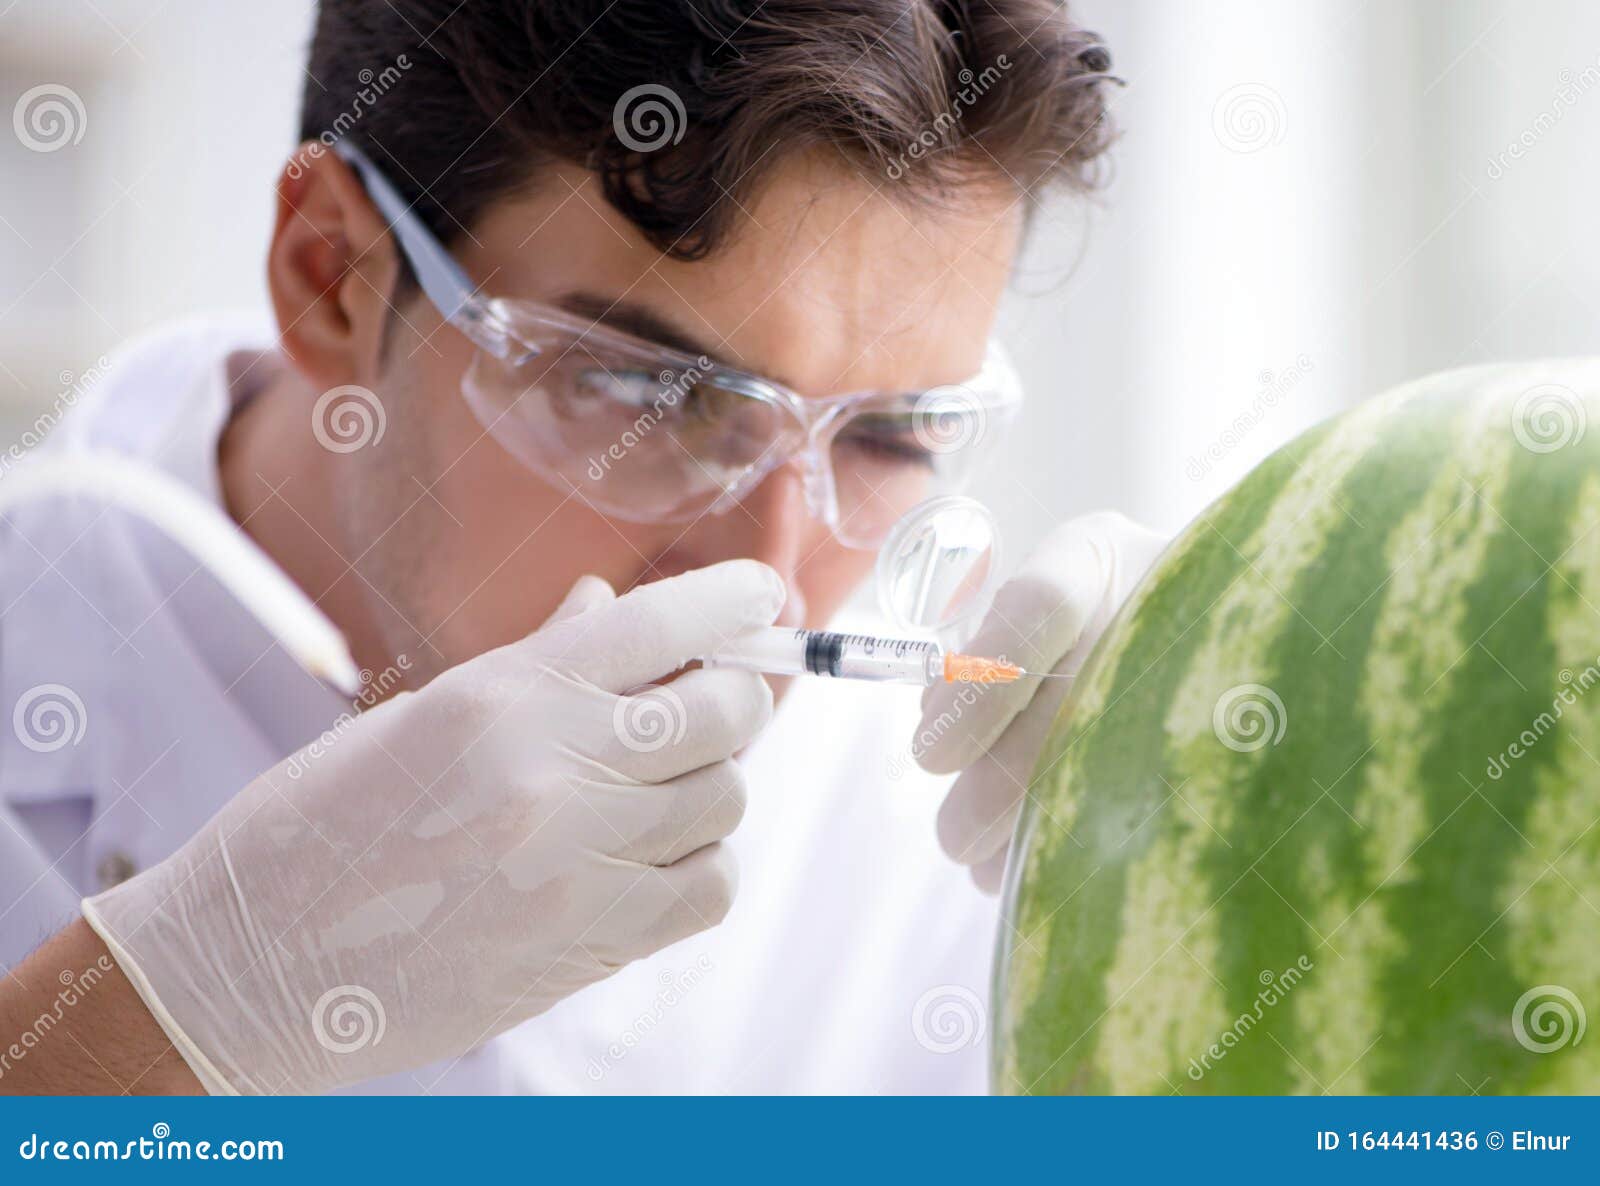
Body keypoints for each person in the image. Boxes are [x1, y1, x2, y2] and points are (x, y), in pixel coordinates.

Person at [0, 0, 1163, 1095]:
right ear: (333, 277)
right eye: (643, 389)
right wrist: (167, 1019)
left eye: (893, 431)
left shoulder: (943, 806)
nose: (764, 572)